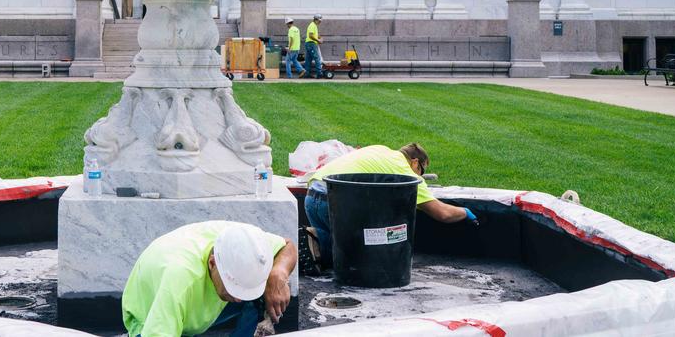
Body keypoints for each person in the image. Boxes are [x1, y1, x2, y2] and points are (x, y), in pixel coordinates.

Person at [302, 143, 475, 271]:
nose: (420, 176)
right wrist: (465, 213)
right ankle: (317, 243)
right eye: (421, 171)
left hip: (312, 195)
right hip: (336, 203)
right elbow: (442, 213)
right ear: (415, 163)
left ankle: (315, 239)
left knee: (337, 253)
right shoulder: (405, 172)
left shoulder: (380, 150)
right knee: (366, 254)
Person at [122, 221, 297, 337]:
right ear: (213, 262)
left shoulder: (247, 243)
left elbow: (287, 246)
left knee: (259, 294)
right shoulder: (178, 279)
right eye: (233, 287)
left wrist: (278, 274)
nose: (239, 298)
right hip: (152, 318)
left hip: (199, 305)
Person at [304, 14, 323, 78]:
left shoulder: (314, 25)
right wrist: (318, 40)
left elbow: (313, 34)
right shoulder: (312, 25)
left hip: (309, 44)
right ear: (316, 19)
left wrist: (319, 37)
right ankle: (319, 73)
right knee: (317, 58)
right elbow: (311, 35)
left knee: (308, 59)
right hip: (311, 44)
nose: (320, 22)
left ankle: (307, 73)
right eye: (319, 20)